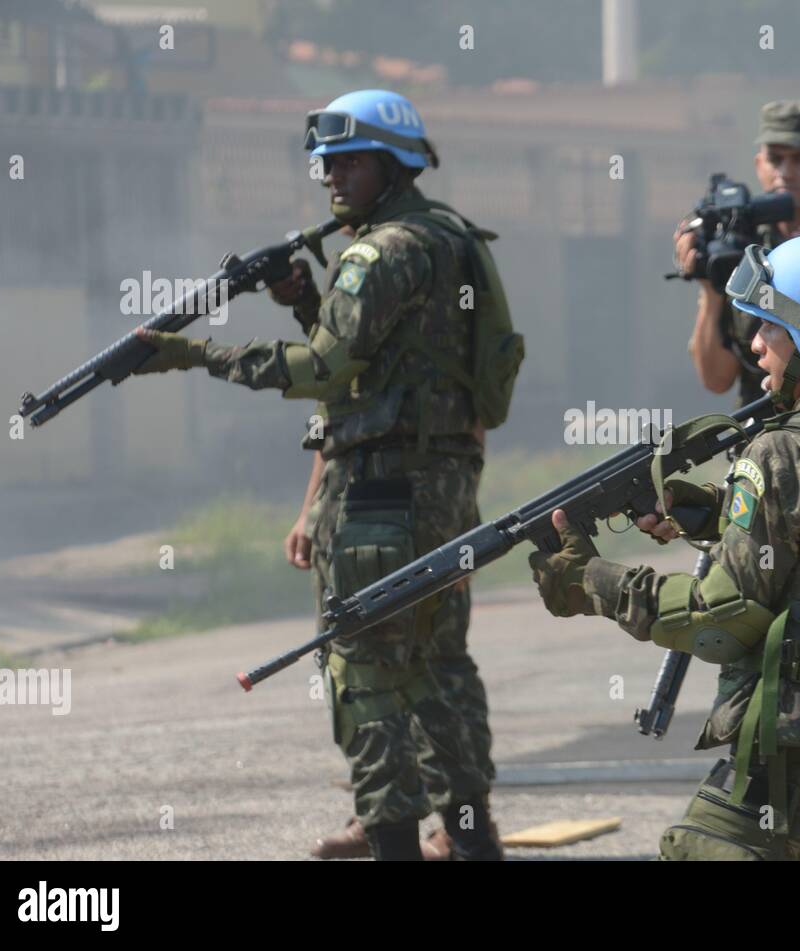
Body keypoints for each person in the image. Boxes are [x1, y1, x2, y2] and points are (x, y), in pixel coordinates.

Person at [133, 89, 501, 861]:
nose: (331, 176)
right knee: (437, 667)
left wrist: (192, 354)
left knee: (364, 674)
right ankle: (473, 843)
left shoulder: (381, 252)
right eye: (325, 163)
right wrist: (307, 302)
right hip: (439, 489)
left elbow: (326, 370)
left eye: (349, 161)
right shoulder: (451, 238)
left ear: (396, 164)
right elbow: (391, 369)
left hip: (376, 499)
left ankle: (394, 843)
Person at [531, 233, 800, 859]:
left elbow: (718, 621)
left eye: (772, 328)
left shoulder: (787, 450)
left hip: (798, 778)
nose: (757, 345)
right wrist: (713, 516)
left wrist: (589, 581)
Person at [676, 100, 800, 404]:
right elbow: (717, 379)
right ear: (758, 165)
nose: (786, 173)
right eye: (776, 159)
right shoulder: (738, 248)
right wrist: (711, 291)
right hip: (764, 433)